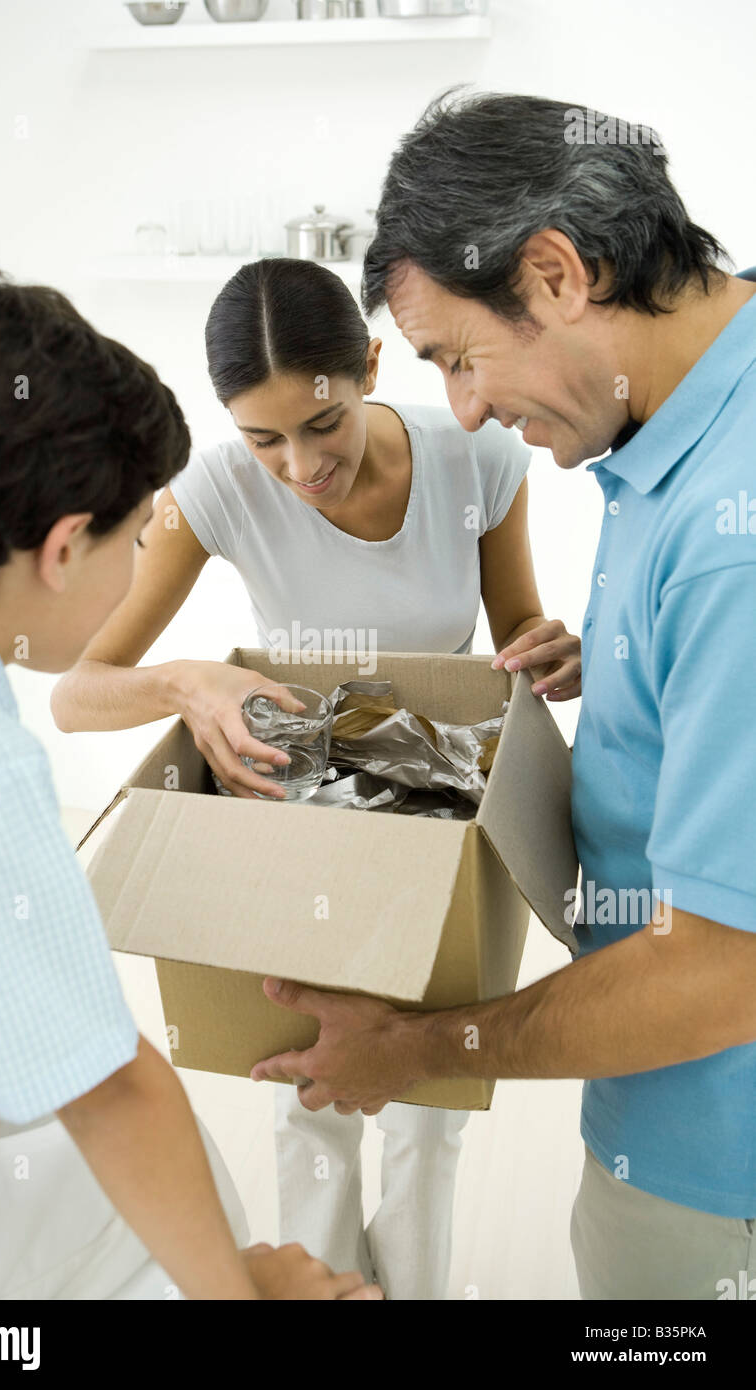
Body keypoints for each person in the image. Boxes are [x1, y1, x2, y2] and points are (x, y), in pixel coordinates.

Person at [250, 90, 756, 1301]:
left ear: (557, 272)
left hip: (712, 1154)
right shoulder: (681, 435)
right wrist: (639, 670)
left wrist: (421, 1049)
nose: (466, 410)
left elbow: (720, 970)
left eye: (459, 359)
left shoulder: (734, 537)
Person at [51, 255, 581, 1299]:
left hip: (439, 831)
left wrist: (545, 649)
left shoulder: (470, 460)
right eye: (264, 438)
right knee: (312, 1106)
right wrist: (188, 681)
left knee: (431, 1114)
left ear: (372, 365)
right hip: (299, 832)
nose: (300, 465)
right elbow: (78, 690)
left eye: (323, 424)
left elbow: (515, 629)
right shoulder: (215, 488)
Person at [0, 265, 380, 1302]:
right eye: (142, 530)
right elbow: (109, 1090)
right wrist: (246, 1292)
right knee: (172, 1167)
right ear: (66, 547)